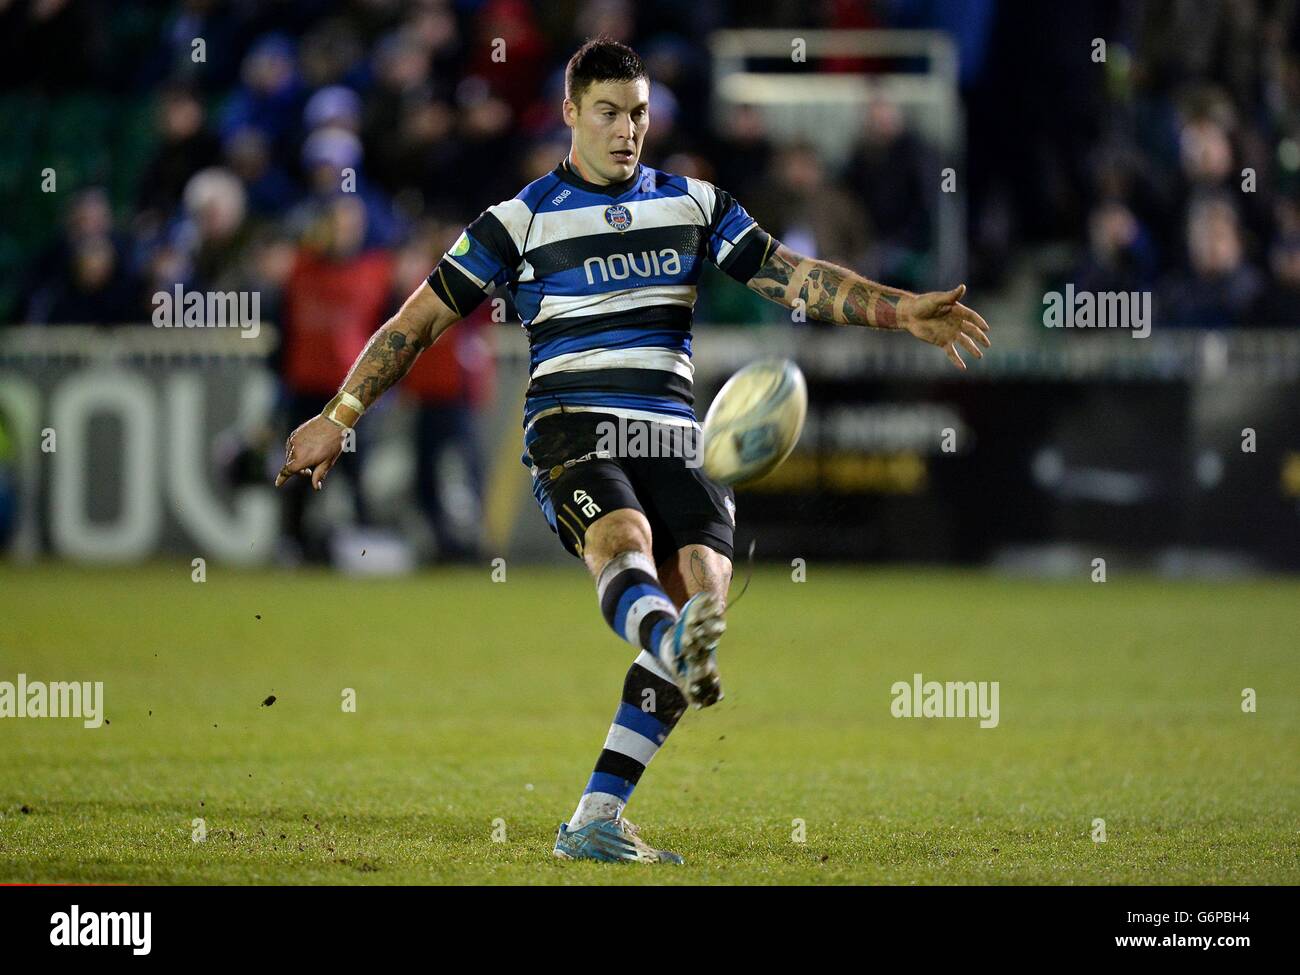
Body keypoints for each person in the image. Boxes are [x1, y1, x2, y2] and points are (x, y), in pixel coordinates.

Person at [274, 37, 990, 864]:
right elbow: (417, 323)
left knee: (708, 589)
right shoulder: (520, 219)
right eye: (609, 112)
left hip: (675, 432)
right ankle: (668, 640)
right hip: (572, 423)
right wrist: (342, 411)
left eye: (639, 114)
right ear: (570, 113)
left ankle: (597, 815)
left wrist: (903, 312)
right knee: (626, 543)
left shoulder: (694, 203)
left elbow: (791, 276)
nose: (626, 130)